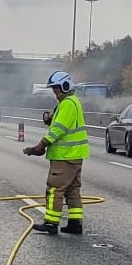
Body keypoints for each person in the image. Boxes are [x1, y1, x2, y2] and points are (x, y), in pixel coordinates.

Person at [22, 70, 89, 234]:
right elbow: (61, 123)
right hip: (75, 155)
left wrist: (40, 145)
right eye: (53, 89)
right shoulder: (72, 102)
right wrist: (49, 119)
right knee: (73, 190)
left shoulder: (67, 104)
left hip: (65, 156)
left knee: (55, 189)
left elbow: (59, 129)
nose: (55, 92)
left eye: (56, 89)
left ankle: (51, 223)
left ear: (65, 86)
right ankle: (75, 223)